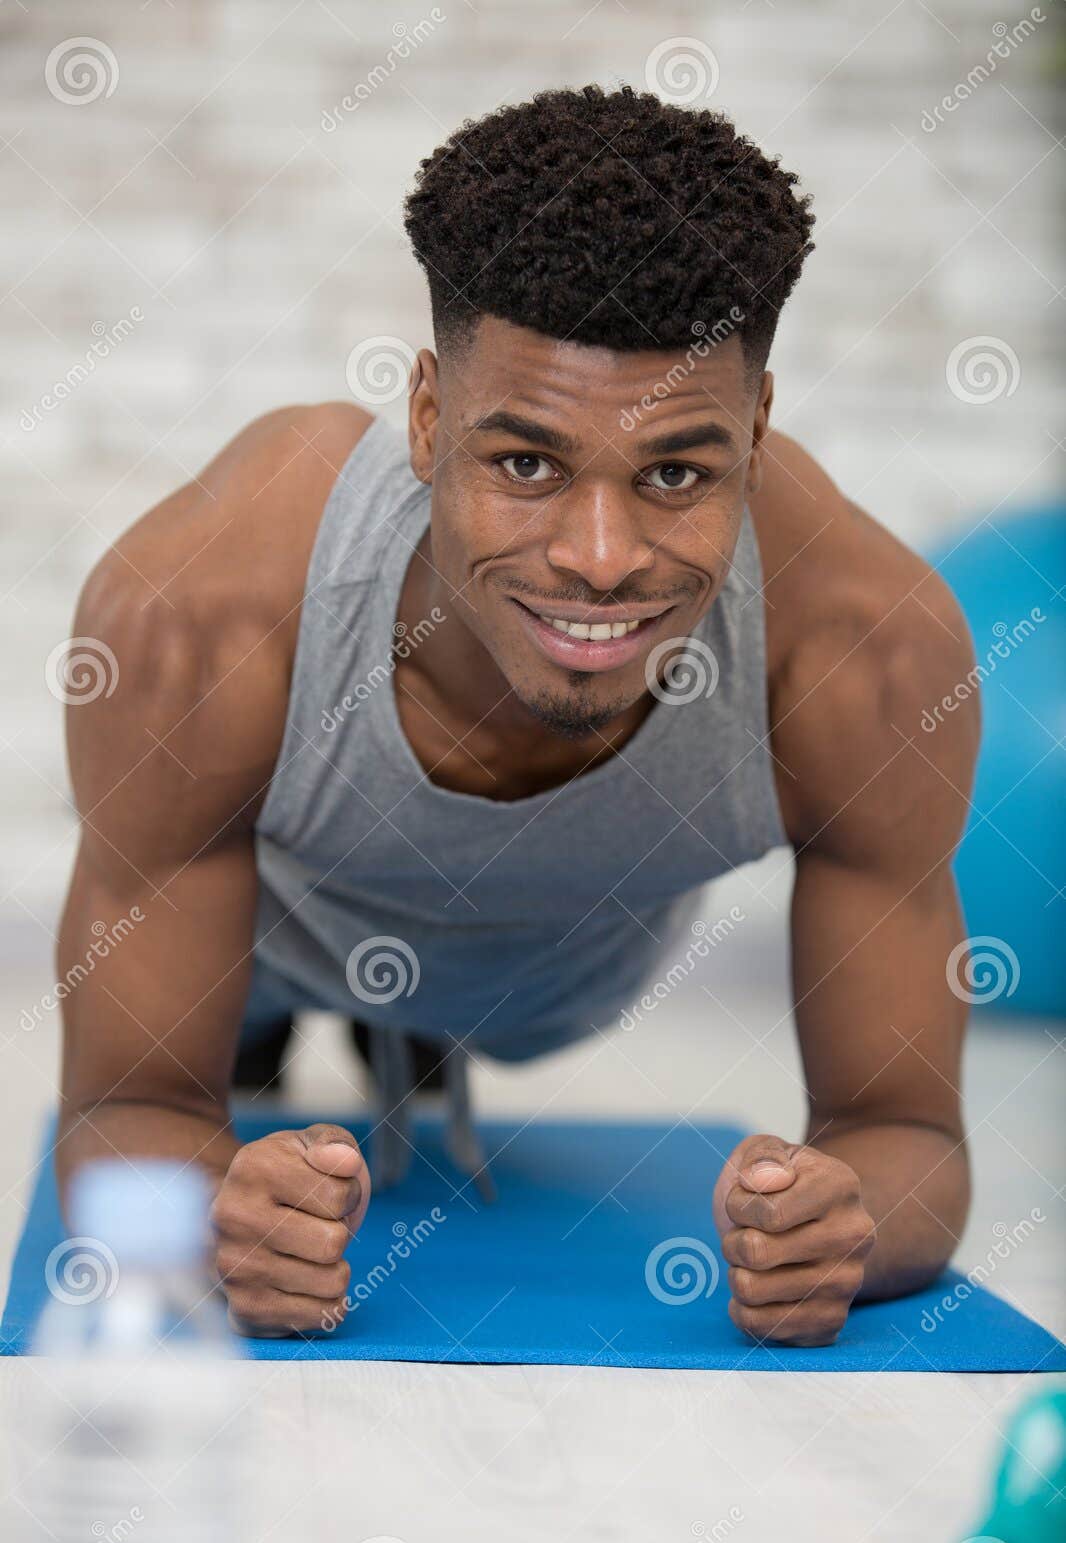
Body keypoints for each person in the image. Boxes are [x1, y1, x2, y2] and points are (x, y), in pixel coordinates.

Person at [54, 87, 977, 1345]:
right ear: (427, 419)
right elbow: (125, 1109)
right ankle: (294, 1012)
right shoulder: (199, 613)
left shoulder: (871, 651)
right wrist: (222, 1209)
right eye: (527, 463)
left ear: (757, 436)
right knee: (232, 1006)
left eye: (673, 473)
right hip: (299, 917)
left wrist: (847, 1220)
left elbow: (907, 1134)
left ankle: (412, 1035)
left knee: (449, 1024)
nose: (600, 560)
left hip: (565, 982)